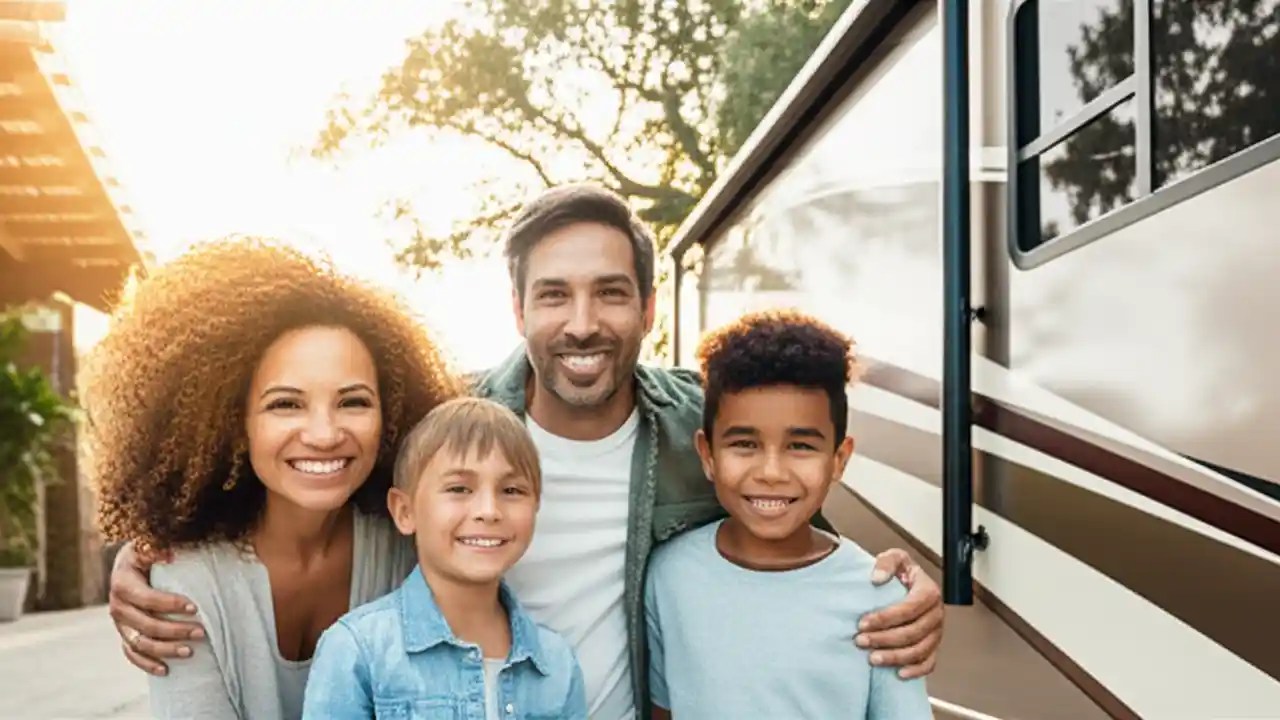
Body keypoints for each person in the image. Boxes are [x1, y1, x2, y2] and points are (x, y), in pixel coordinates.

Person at [105, 184, 946, 719]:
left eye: (609, 293)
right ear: (517, 309)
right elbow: (322, 464)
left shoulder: (704, 425)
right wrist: (144, 554)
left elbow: (796, 519)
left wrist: (904, 579)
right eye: (554, 294)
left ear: (648, 308)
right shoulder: (445, 427)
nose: (582, 322)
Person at [82, 238, 460, 718]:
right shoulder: (188, 577)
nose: (324, 434)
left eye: (353, 402)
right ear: (229, 421)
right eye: (285, 404)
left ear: (392, 415)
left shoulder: (408, 547)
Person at [645, 309, 933, 719]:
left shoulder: (880, 595)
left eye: (800, 447)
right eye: (745, 444)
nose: (771, 473)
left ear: (839, 459)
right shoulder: (669, 574)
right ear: (707, 454)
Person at [301, 397, 588, 718]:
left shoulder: (556, 664)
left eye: (511, 491)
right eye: (459, 489)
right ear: (405, 511)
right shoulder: (359, 651)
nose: (488, 511)